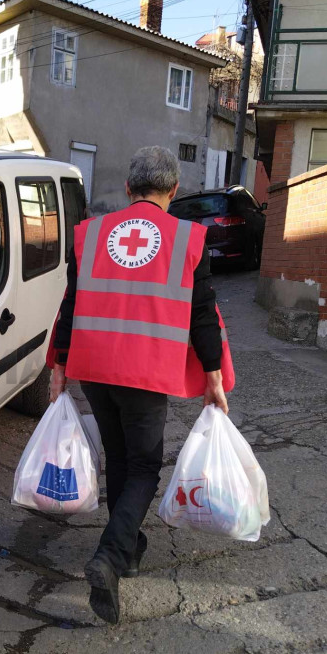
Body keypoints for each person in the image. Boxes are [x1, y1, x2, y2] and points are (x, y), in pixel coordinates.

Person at [48, 147, 234, 625]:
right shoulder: (188, 239)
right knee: (145, 465)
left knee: (122, 460)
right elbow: (202, 316)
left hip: (95, 369)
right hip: (147, 372)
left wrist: (59, 366)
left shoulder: (90, 235)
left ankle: (129, 548)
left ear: (129, 190)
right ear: (173, 192)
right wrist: (214, 378)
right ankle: (110, 557)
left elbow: (71, 304)